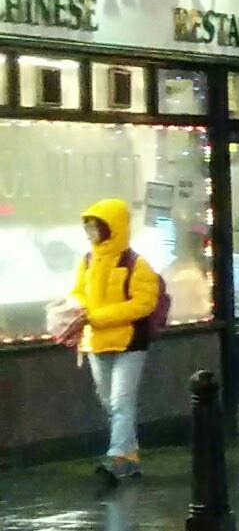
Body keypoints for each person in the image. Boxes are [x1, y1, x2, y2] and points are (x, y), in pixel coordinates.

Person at [67, 198, 165, 486]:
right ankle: (130, 457)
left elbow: (144, 303)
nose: (89, 233)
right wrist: (77, 308)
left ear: (112, 228)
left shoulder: (136, 265)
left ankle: (116, 456)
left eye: (95, 227)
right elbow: (78, 292)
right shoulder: (86, 262)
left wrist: (98, 316)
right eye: (87, 227)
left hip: (129, 343)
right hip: (97, 343)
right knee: (110, 403)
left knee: (122, 402)